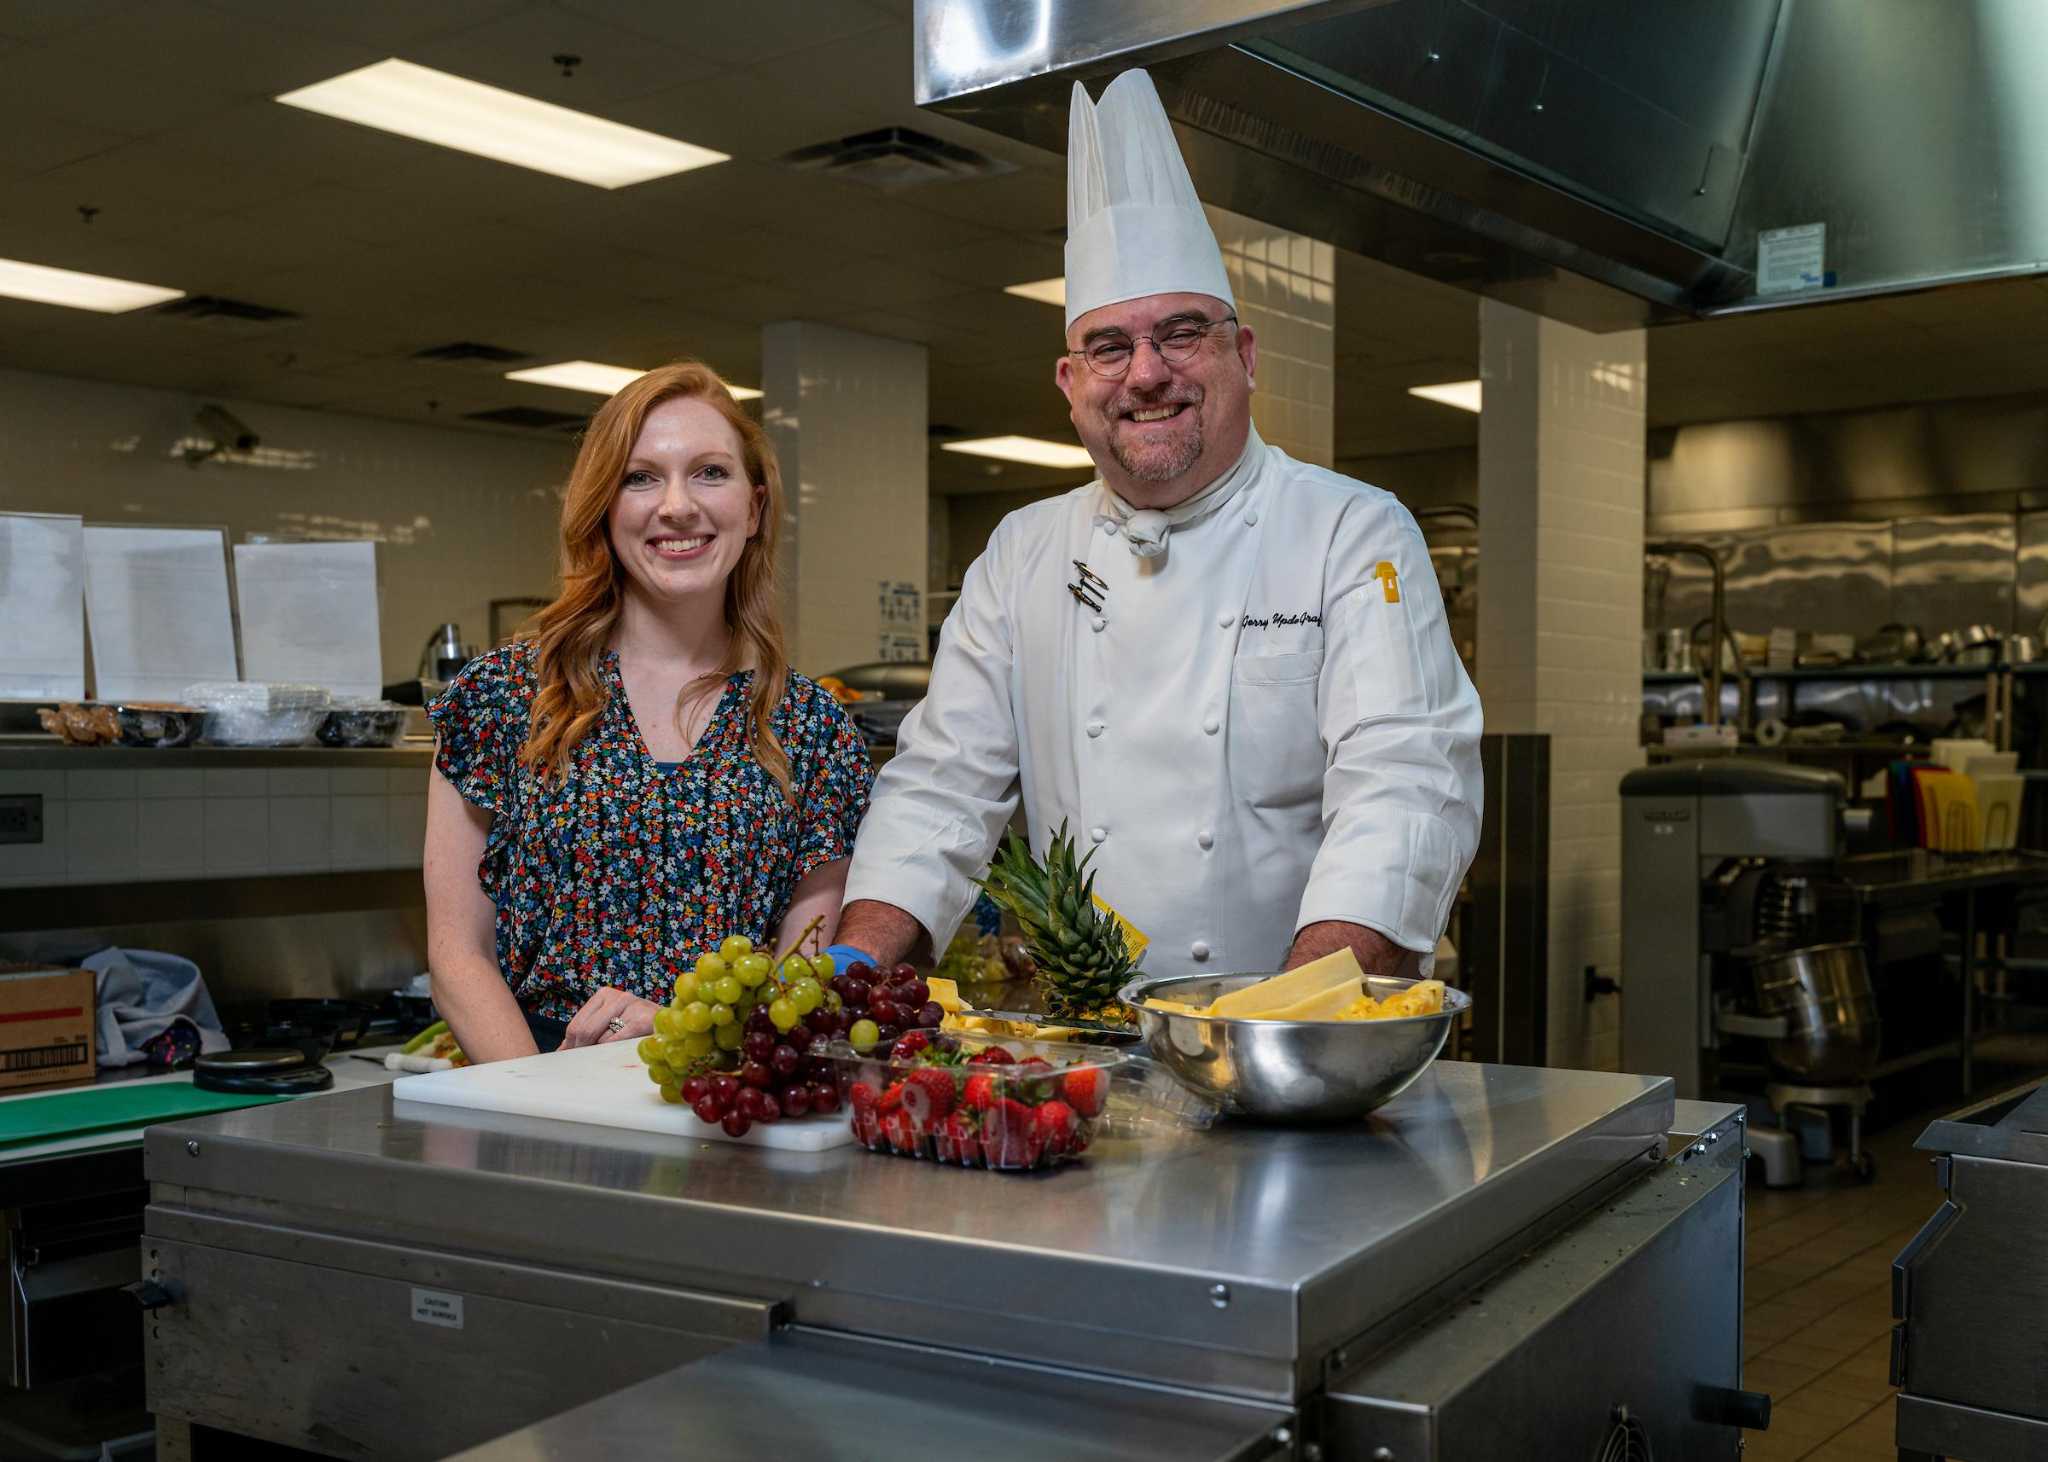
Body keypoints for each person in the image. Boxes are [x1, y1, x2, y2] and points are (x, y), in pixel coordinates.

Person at [826, 70, 1482, 985]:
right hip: (1082, 1047)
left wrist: (1293, 1016)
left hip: (1299, 1042)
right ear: (1069, 383)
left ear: (1244, 356)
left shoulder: (1350, 533)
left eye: (1181, 333)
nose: (1145, 374)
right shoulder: (1023, 553)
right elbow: (944, 784)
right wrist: (855, 964)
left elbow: (1403, 783)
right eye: (1110, 346)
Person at [425, 362, 873, 1061]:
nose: (676, 507)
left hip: (727, 1093)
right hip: (533, 1084)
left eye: (710, 473)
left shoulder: (813, 729)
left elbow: (801, 981)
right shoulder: (506, 697)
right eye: (641, 478)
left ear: (754, 508)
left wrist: (692, 1037)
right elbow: (456, 955)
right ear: (605, 507)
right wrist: (544, 1100)